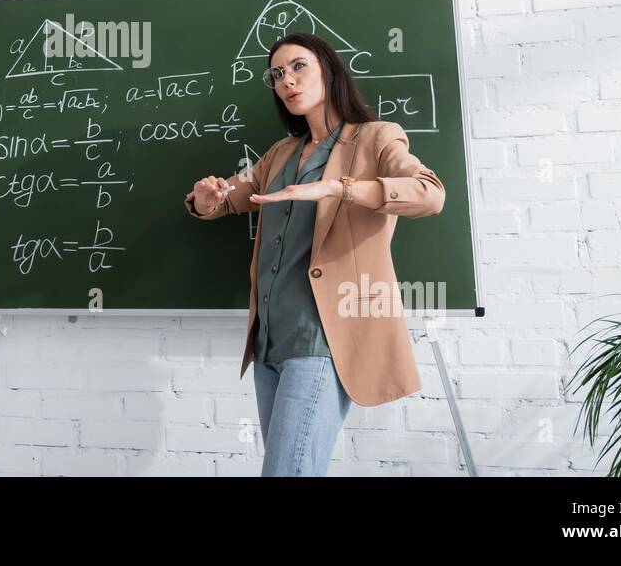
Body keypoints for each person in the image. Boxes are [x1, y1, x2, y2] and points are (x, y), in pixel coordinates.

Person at [185, 31, 446, 476]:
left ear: (328, 69)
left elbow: (429, 194)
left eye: (298, 66)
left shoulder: (376, 138)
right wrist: (206, 199)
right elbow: (230, 196)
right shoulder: (279, 154)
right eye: (277, 74)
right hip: (269, 341)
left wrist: (338, 187)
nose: (287, 80)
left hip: (324, 338)